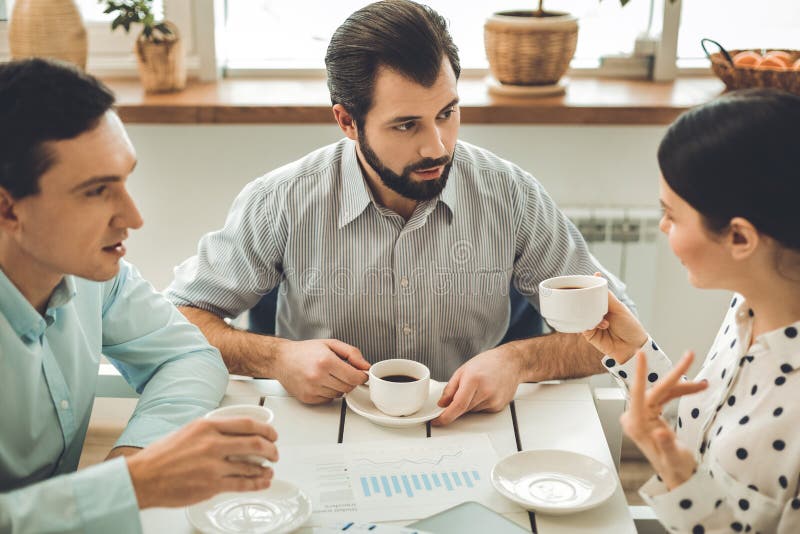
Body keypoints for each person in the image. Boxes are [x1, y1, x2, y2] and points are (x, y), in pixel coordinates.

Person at [165, 0, 640, 425]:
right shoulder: (281, 202)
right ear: (347, 121)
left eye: (447, 113)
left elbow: (619, 332)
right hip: (324, 430)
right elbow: (181, 318)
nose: (437, 146)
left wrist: (519, 361)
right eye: (406, 124)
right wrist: (275, 358)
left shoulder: (511, 196)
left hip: (472, 429)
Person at [0, 59, 278, 533]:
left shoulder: (92, 274)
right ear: (8, 208)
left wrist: (134, 459)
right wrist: (131, 484)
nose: (133, 216)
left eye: (125, 179)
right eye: (95, 192)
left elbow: (191, 355)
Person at [582, 88, 800, 533]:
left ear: (740, 238)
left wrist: (675, 472)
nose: (663, 227)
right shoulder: (750, 304)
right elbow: (711, 433)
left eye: (672, 215)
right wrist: (634, 353)